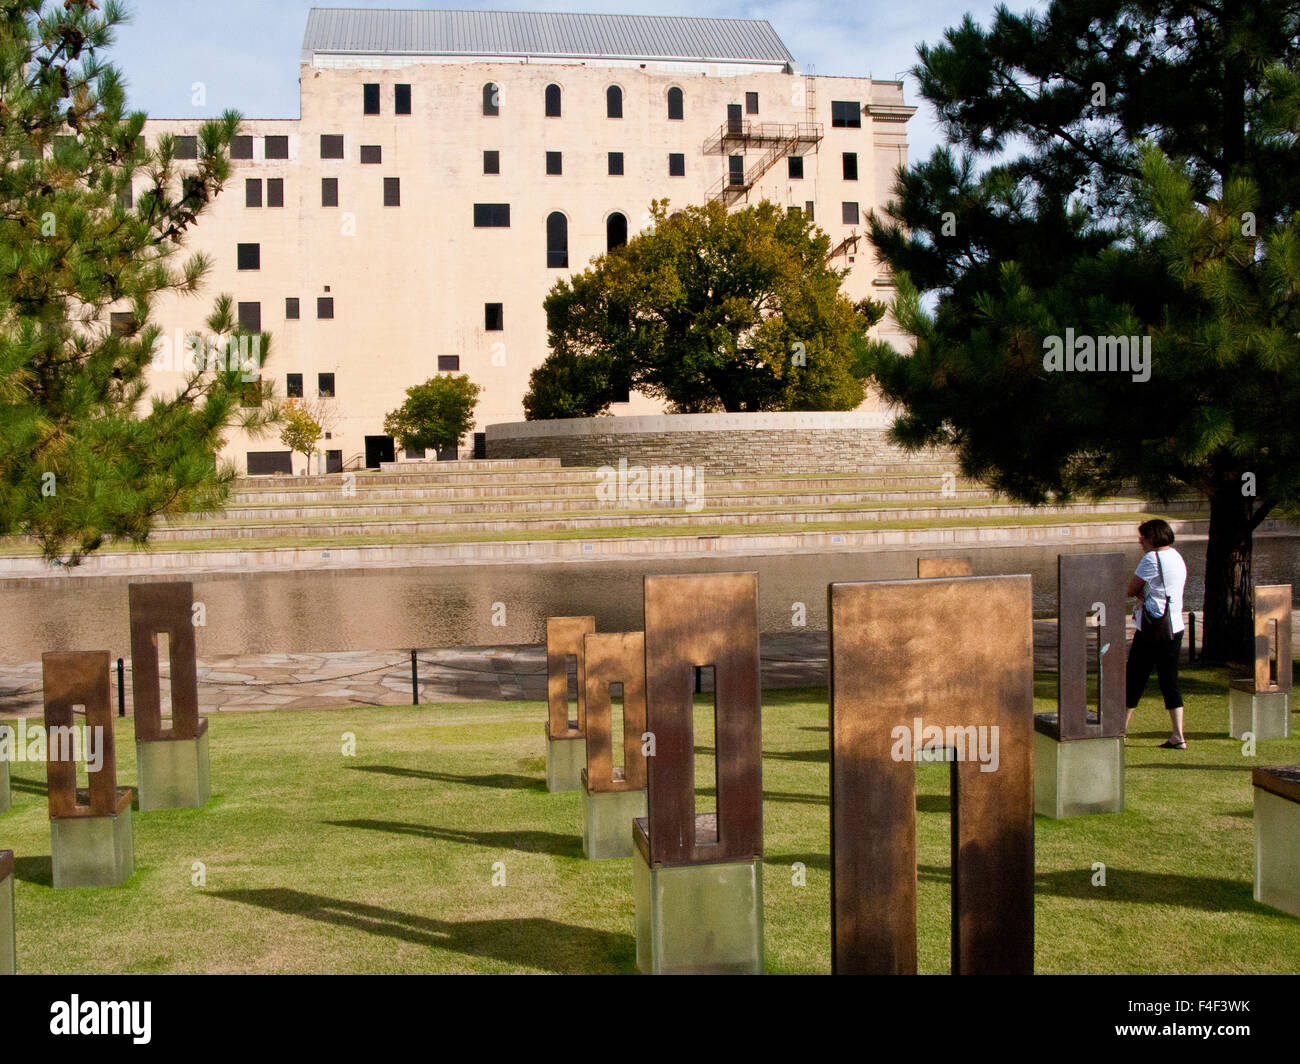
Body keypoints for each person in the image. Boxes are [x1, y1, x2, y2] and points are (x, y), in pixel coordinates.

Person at [1124, 519, 1189, 748]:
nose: (1140, 542)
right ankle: (1178, 735)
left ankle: (1120, 730)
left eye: (1143, 537)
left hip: (1152, 627)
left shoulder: (1151, 558)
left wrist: (1141, 593)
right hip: (1174, 626)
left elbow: (1131, 589)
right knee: (1169, 680)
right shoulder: (1176, 557)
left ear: (1152, 538)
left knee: (1135, 677)